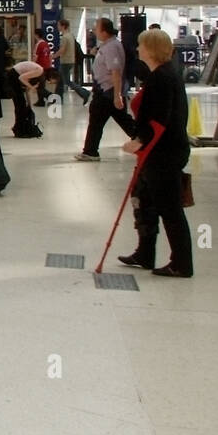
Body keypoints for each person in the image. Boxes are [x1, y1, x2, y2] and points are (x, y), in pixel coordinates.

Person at [118, 28, 193, 278]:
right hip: (161, 151)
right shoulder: (164, 74)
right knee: (145, 201)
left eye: (141, 45)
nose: (137, 49)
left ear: (150, 49)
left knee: (170, 208)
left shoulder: (161, 78)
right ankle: (145, 251)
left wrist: (139, 141)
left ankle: (181, 263)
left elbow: (160, 119)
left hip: (163, 153)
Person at [75, 17, 138, 162]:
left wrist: (117, 95)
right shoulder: (107, 45)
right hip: (105, 90)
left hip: (108, 91)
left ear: (104, 31)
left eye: (96, 28)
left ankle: (90, 151)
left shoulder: (112, 47)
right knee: (121, 120)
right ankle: (142, 139)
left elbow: (115, 71)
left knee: (100, 119)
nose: (94, 31)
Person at [57, 19, 89, 104]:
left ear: (63, 26)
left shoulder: (64, 37)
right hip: (71, 60)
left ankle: (84, 92)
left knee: (65, 81)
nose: (58, 27)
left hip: (65, 61)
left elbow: (62, 50)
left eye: (59, 25)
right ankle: (58, 98)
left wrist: (53, 56)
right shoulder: (71, 35)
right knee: (62, 80)